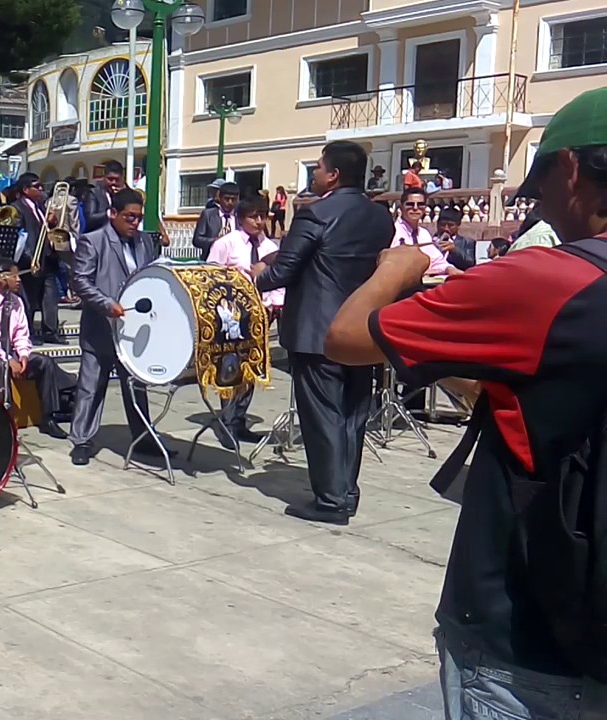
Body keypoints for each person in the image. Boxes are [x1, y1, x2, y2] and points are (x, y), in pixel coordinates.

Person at [323, 87, 607, 719]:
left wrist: (395, 271)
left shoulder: (545, 280)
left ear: (570, 170)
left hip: (525, 637)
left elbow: (345, 339)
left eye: (542, 188)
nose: (544, 210)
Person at [251, 140, 392, 525]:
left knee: (323, 416)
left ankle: (330, 500)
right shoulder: (381, 217)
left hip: (317, 330)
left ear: (333, 174)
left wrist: (255, 275)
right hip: (360, 327)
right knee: (353, 414)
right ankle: (346, 491)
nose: (313, 173)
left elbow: (282, 273)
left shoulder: (315, 214)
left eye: (317, 167)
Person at [68, 188, 169, 466]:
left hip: (133, 329)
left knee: (136, 386)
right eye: (129, 217)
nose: (134, 223)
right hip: (101, 326)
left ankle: (144, 438)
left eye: (137, 218)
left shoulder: (144, 242)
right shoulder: (93, 241)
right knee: (91, 386)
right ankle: (81, 440)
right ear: (113, 214)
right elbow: (80, 281)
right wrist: (106, 304)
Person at [0, 259, 71, 439]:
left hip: (10, 352)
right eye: (14, 276)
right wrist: (8, 359)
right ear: (1, 278)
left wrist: (23, 354)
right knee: (0, 366)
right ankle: (4, 419)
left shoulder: (17, 301)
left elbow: (21, 333)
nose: (19, 280)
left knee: (44, 363)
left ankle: (48, 418)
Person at [207, 199, 281, 450]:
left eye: (262, 216)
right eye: (253, 216)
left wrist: (272, 306)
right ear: (241, 218)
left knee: (251, 368)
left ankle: (239, 420)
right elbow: (211, 277)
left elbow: (274, 280)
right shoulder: (226, 244)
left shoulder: (269, 247)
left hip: (259, 315)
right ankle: (226, 421)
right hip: (231, 315)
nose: (259, 221)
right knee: (230, 368)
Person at [11, 173, 64, 345]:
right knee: (29, 298)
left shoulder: (40, 206)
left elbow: (45, 230)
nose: (41, 190)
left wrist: (52, 223)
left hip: (47, 257)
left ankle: (51, 331)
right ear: (26, 189)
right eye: (37, 186)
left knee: (50, 296)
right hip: (31, 259)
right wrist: (29, 258)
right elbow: (18, 235)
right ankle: (28, 332)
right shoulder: (17, 208)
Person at [392, 188, 460, 277]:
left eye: (420, 204)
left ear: (425, 208)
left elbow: (436, 260)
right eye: (410, 204)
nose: (415, 208)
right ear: (401, 207)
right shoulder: (393, 231)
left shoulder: (424, 234)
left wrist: (449, 268)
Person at [192, 181, 240, 259]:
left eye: (233, 199)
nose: (230, 202)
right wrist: (216, 241)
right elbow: (197, 240)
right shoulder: (208, 215)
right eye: (227, 199)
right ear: (220, 198)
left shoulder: (240, 216)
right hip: (212, 261)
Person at [82, 160, 125, 233]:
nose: (113, 183)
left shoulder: (124, 195)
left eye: (117, 180)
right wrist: (109, 213)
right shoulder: (93, 193)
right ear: (104, 177)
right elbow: (90, 219)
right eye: (110, 179)